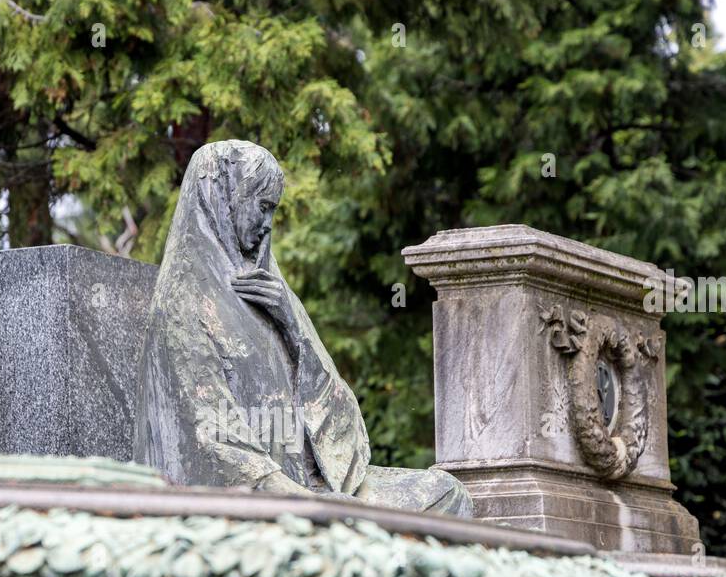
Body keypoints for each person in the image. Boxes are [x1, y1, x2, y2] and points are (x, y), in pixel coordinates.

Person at [133, 139, 472, 518]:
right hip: (262, 494)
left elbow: (345, 426)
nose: (267, 225)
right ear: (224, 198)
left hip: (315, 482)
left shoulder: (271, 290)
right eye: (262, 207)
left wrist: (293, 329)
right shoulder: (183, 301)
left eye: (273, 211)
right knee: (346, 519)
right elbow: (211, 441)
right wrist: (301, 498)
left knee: (449, 493)